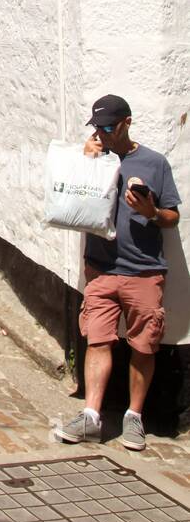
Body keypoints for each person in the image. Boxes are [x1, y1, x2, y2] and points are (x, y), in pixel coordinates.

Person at [55, 95, 181, 452]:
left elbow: (172, 217)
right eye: (97, 127)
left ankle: (134, 416)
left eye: (109, 127)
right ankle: (91, 415)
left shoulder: (154, 163)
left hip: (143, 270)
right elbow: (69, 197)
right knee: (98, 339)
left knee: (143, 344)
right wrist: (83, 161)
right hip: (101, 268)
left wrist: (151, 210)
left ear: (127, 122)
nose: (102, 133)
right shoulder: (94, 156)